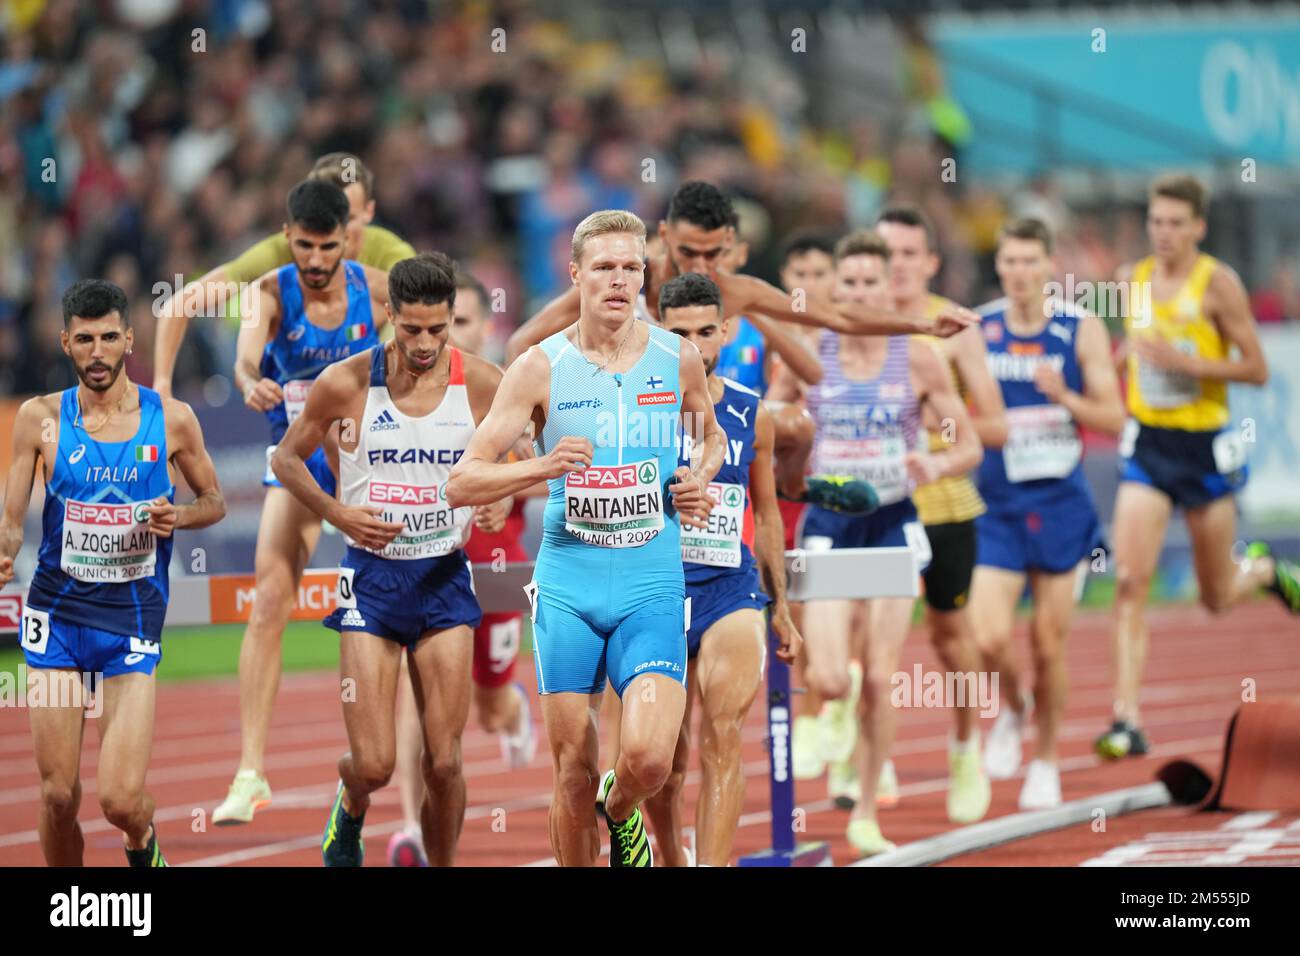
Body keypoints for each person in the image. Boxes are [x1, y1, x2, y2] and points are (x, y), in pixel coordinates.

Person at [446, 210, 726, 867]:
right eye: (604, 267)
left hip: (652, 583)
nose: (619, 280)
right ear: (575, 276)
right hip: (569, 586)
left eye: (632, 267)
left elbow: (709, 436)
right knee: (571, 772)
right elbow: (462, 480)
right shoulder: (539, 367)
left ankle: (620, 807)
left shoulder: (676, 358)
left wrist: (698, 478)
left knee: (651, 759)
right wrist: (542, 467)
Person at [270, 252, 501, 866]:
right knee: (373, 763)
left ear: (453, 319)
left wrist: (498, 497)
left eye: (437, 329)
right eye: (411, 329)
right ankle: (350, 802)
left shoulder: (480, 381)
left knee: (446, 761)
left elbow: (521, 446)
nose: (424, 344)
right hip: (369, 581)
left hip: (443, 577)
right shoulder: (345, 383)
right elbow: (285, 459)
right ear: (389, 317)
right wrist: (338, 514)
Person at [769, 230, 984, 855]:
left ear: (890, 287)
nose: (860, 294)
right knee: (833, 676)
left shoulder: (917, 357)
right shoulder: (811, 354)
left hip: (893, 523)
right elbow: (767, 420)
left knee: (884, 677)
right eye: (850, 283)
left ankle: (865, 810)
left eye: (872, 283)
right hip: (831, 524)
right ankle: (835, 706)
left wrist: (936, 465)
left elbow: (965, 440)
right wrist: (793, 448)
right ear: (835, 288)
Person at [0, 279, 225, 866]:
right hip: (55, 616)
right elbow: (10, 522)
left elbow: (214, 502)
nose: (96, 353)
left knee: (122, 801)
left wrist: (180, 515)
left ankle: (141, 842)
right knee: (56, 795)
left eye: (107, 339)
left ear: (128, 339)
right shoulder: (37, 419)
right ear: (64, 343)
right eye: (83, 340)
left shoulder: (171, 419)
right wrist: (3, 552)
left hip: (130, 618)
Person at [1100, 173, 1297, 759]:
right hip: (1148, 449)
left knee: (1215, 596)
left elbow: (1257, 369)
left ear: (1198, 227)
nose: (1163, 233)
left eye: (1175, 223)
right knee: (1131, 581)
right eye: (1156, 221)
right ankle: (1125, 718)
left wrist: (1193, 369)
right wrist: (1122, 365)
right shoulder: (1128, 281)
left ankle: (1260, 572)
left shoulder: (1219, 286)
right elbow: (1132, 347)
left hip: (1204, 450)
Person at [212, 180, 388, 824]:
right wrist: (251, 381)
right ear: (288, 237)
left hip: (373, 464)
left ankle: (408, 758)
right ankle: (250, 771)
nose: (315, 260)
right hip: (295, 464)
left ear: (349, 238)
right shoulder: (271, 292)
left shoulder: (376, 290)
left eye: (328, 246)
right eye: (305, 245)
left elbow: (420, 360)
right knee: (268, 600)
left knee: (405, 603)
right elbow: (244, 360)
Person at [640, 272, 803, 866]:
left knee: (723, 732)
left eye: (706, 331)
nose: (696, 345)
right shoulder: (634, 409)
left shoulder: (751, 413)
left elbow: (766, 513)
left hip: (728, 588)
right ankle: (672, 857)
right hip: (653, 588)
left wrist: (779, 603)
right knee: (663, 757)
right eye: (680, 333)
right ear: (660, 332)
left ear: (725, 332)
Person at [386, 270, 540, 867]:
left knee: (489, 707)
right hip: (427, 567)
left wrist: (507, 490)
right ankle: (409, 827)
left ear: (481, 326)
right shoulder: (407, 388)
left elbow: (540, 459)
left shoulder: (505, 387)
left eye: (468, 322)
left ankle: (512, 706)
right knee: (414, 696)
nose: (457, 335)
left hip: (496, 565)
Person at [970, 219, 1125, 807]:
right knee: (987, 636)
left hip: (1060, 505)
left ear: (1047, 266)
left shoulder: (1079, 328)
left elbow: (1114, 419)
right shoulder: (979, 328)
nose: (1018, 273)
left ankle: (1048, 759)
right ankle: (1013, 705)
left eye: (1029, 262)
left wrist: (1067, 398)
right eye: (1008, 262)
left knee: (1047, 643)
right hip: (997, 504)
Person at [874, 205, 1004, 817]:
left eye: (907, 254)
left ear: (929, 262)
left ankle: (965, 745)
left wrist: (941, 433)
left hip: (945, 503)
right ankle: (873, 755)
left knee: (954, 639)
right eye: (885, 253)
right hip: (875, 508)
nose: (895, 265)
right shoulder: (850, 324)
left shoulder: (951, 327)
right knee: (863, 639)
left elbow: (993, 424)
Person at [152, 153, 414, 399]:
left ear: (369, 212)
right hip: (291, 378)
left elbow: (421, 313)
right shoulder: (279, 250)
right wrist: (162, 385)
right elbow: (180, 304)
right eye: (324, 220)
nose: (334, 231)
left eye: (349, 219)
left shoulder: (392, 255)